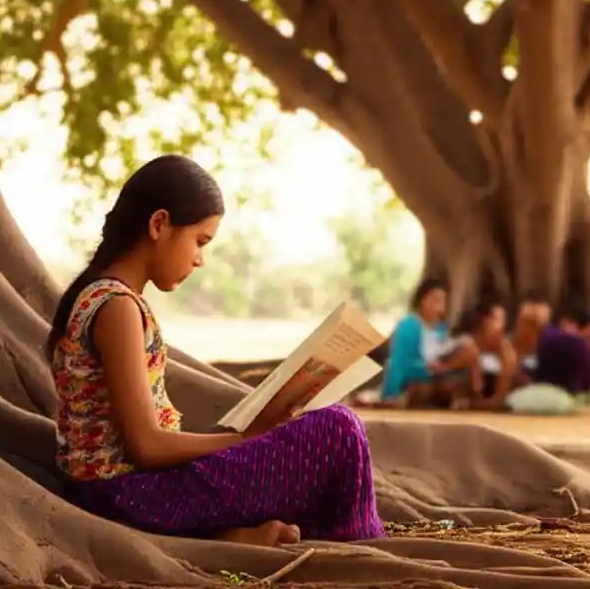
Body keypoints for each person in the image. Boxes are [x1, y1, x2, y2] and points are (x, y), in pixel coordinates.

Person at [48, 155, 384, 547]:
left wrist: (249, 434)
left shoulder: (102, 297)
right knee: (339, 429)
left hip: (130, 490)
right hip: (128, 496)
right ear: (159, 224)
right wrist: (245, 439)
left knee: (325, 426)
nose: (199, 259)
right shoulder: (117, 306)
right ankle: (356, 542)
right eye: (200, 241)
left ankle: (241, 536)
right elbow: (146, 446)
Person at [379, 278, 480, 406]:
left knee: (468, 351)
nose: (439, 306)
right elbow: (400, 362)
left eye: (442, 301)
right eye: (435, 300)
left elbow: (442, 352)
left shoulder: (441, 329)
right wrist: (426, 368)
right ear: (422, 300)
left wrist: (443, 366)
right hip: (411, 379)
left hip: (437, 373)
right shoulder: (408, 326)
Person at [450, 299, 520, 409]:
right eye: (498, 320)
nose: (502, 327)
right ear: (485, 321)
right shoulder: (464, 343)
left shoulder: (503, 346)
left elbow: (510, 364)